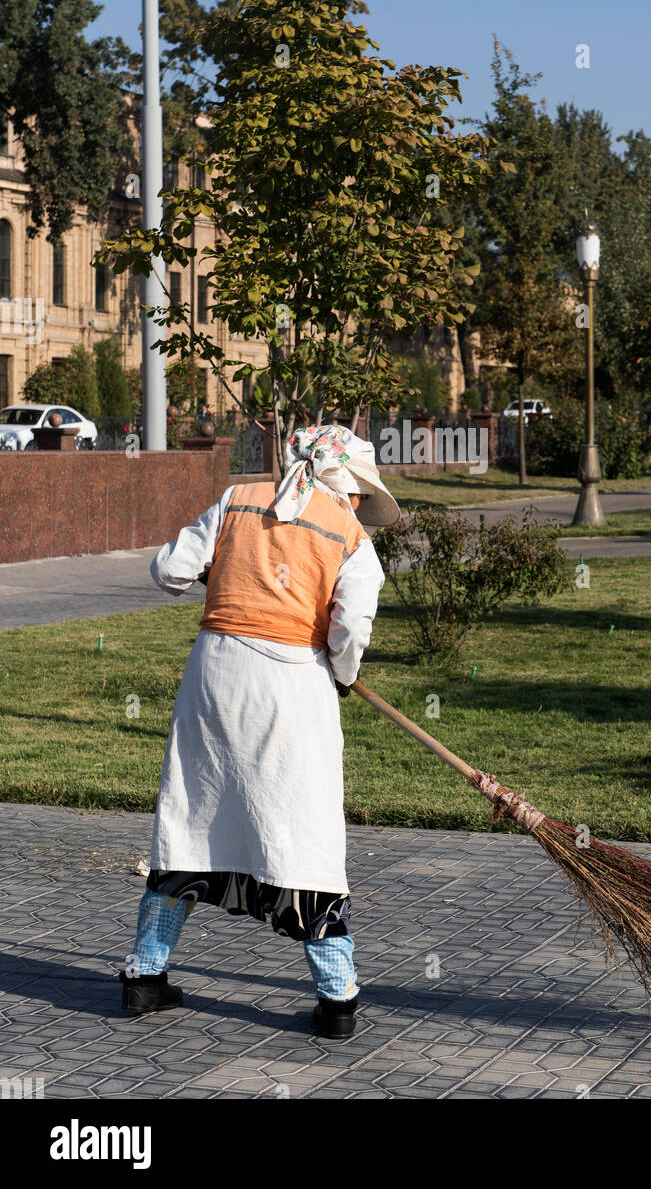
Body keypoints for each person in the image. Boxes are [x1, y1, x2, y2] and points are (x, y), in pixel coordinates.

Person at [119, 424, 399, 1039]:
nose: (358, 508)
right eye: (359, 495)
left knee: (192, 816)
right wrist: (344, 675)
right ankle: (337, 998)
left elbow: (168, 570)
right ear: (345, 483)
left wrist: (223, 568)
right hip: (292, 687)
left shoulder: (237, 498)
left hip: (214, 676)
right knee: (303, 829)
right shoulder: (352, 539)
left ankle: (144, 978)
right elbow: (349, 632)